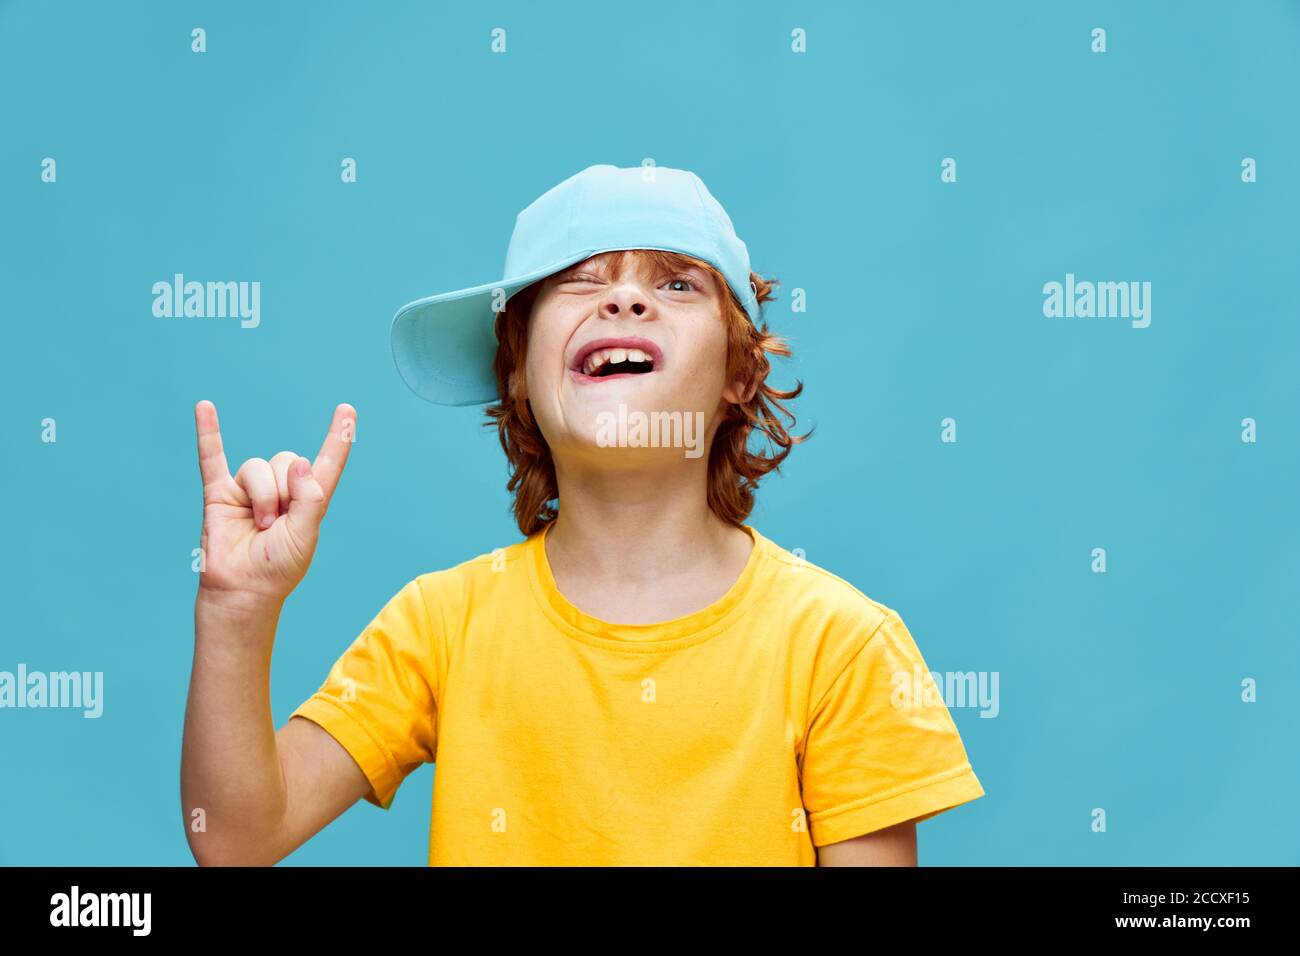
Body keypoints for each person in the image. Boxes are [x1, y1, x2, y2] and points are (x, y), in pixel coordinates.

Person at [181, 164, 984, 866]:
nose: (626, 299)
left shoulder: (842, 647)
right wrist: (236, 609)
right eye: (580, 280)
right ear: (518, 370)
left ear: (740, 374)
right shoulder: (440, 625)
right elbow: (236, 838)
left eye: (676, 283)